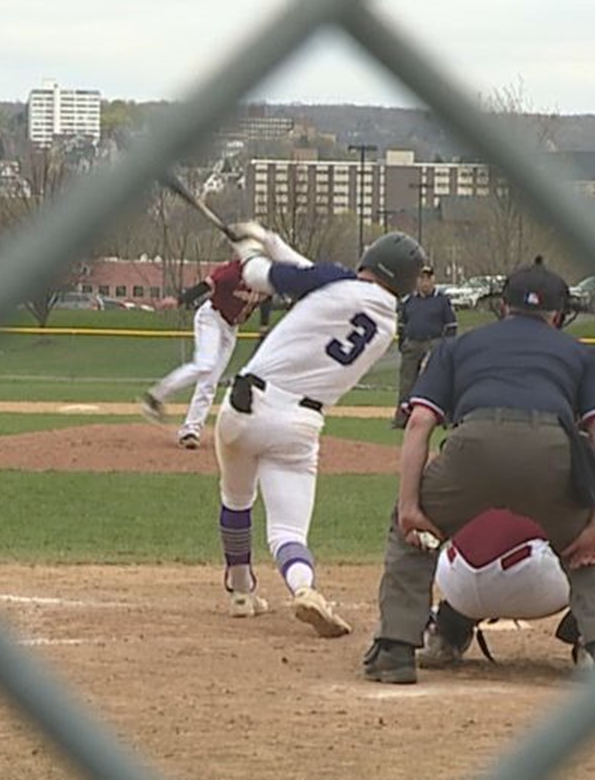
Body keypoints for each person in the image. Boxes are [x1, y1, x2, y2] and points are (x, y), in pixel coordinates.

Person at [365, 257, 595, 685]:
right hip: (552, 454)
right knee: (587, 549)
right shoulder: (587, 355)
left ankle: (396, 650)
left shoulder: (456, 348)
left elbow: (419, 423)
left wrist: (410, 506)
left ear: (503, 307)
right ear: (559, 314)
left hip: (474, 446)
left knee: (413, 532)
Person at [215, 223, 428, 637]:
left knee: (237, 497)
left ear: (369, 259)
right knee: (288, 530)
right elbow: (322, 282)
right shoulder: (386, 325)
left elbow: (261, 278)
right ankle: (304, 588)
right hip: (301, 424)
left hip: (246, 406)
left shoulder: (336, 284)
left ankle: (241, 591)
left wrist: (248, 252)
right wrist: (274, 243)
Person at [425, 487, 595, 668]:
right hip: (530, 581)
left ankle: (444, 628)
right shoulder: (576, 447)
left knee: (485, 544)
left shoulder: (487, 442)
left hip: (452, 573)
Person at [142, 260, 264, 449]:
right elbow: (206, 285)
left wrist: (264, 326)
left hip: (231, 329)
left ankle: (191, 431)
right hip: (211, 318)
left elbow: (266, 300)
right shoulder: (233, 272)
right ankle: (156, 396)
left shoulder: (267, 276)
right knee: (206, 364)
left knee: (210, 381)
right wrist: (180, 300)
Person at [391, 266, 457, 428]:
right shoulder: (409, 301)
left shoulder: (442, 300)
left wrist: (446, 347)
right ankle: (402, 419)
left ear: (433, 279)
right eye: (421, 278)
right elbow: (402, 324)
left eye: (428, 278)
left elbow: (451, 325)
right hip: (413, 343)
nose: (425, 282)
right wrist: (403, 343)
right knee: (407, 382)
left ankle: (445, 418)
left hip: (434, 343)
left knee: (437, 380)